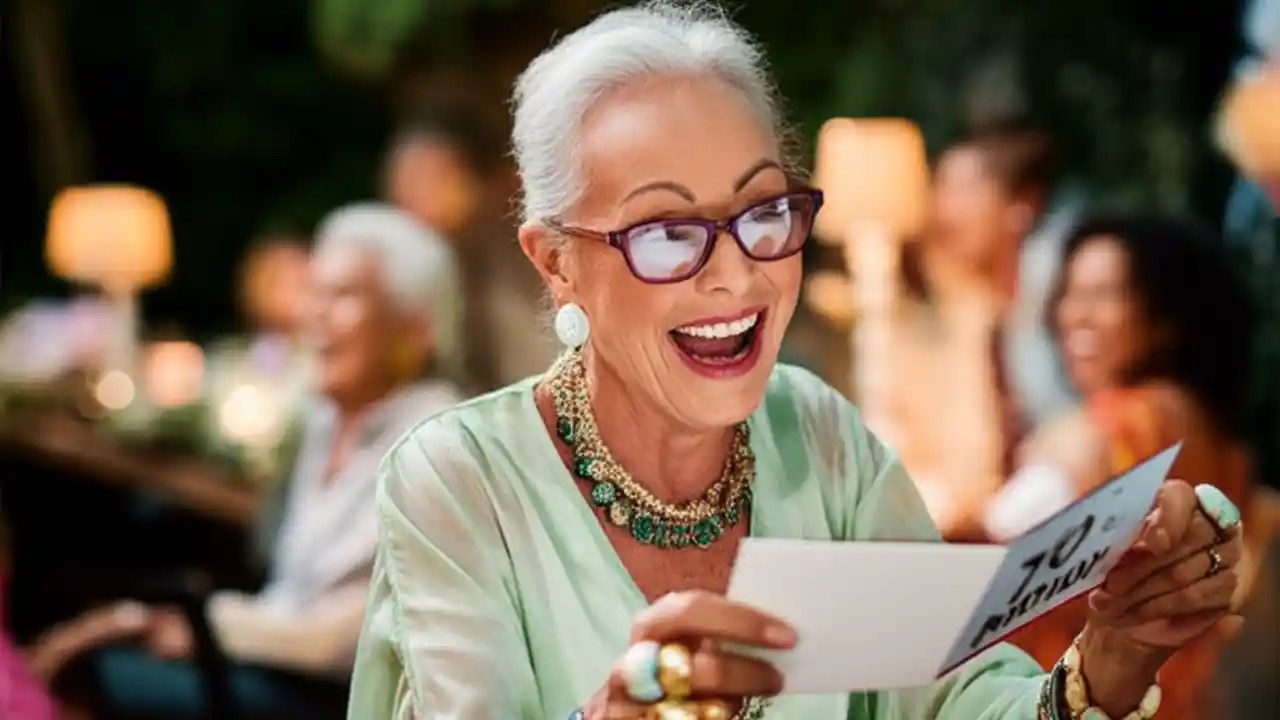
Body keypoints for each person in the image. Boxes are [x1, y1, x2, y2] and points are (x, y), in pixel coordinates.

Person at [347, 3, 1249, 719]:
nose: (737, 276)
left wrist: (1116, 656)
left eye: (764, 213)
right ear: (556, 261)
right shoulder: (457, 481)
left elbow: (950, 701)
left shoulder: (817, 433)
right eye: (668, 233)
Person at [90, 203, 463, 719]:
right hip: (268, 666)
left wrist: (199, 625)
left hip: (340, 699)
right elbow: (289, 596)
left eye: (344, 296)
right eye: (317, 293)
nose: (317, 315)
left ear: (415, 329)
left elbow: (343, 643)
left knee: (100, 677)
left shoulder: (436, 441)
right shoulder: (326, 418)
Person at [992, 215, 1256, 719]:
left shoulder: (1120, 425)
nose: (1075, 315)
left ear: (1165, 316)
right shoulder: (1204, 423)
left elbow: (1000, 541)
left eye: (1106, 294)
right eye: (1069, 292)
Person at [885, 124, 1079, 539]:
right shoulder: (979, 311)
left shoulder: (1059, 287)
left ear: (1021, 206)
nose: (944, 210)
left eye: (967, 190)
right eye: (941, 189)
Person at [383, 115, 556, 392]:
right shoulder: (395, 267)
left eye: (434, 178)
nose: (417, 194)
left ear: (474, 185)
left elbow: (531, 360)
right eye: (406, 181)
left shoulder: (508, 258)